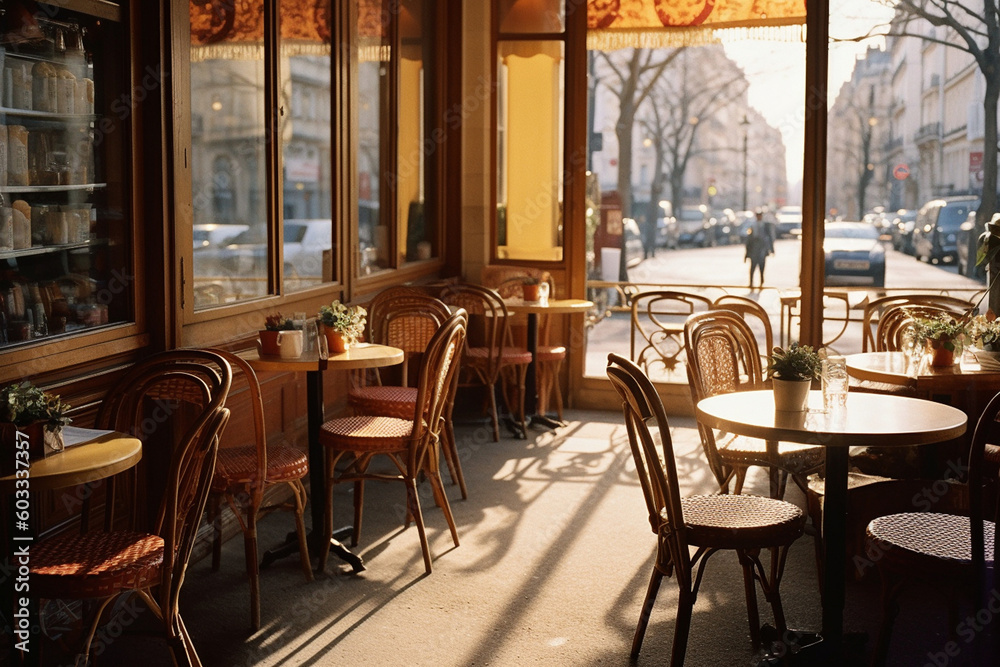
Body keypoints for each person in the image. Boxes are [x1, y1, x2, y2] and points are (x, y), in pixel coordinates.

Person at [744, 210, 774, 289]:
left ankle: (761, 281)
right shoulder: (753, 225)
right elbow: (749, 240)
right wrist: (747, 252)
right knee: (753, 266)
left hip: (762, 248)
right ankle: (751, 282)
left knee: (762, 266)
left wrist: (771, 249)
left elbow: (770, 237)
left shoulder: (765, 226)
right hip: (754, 248)